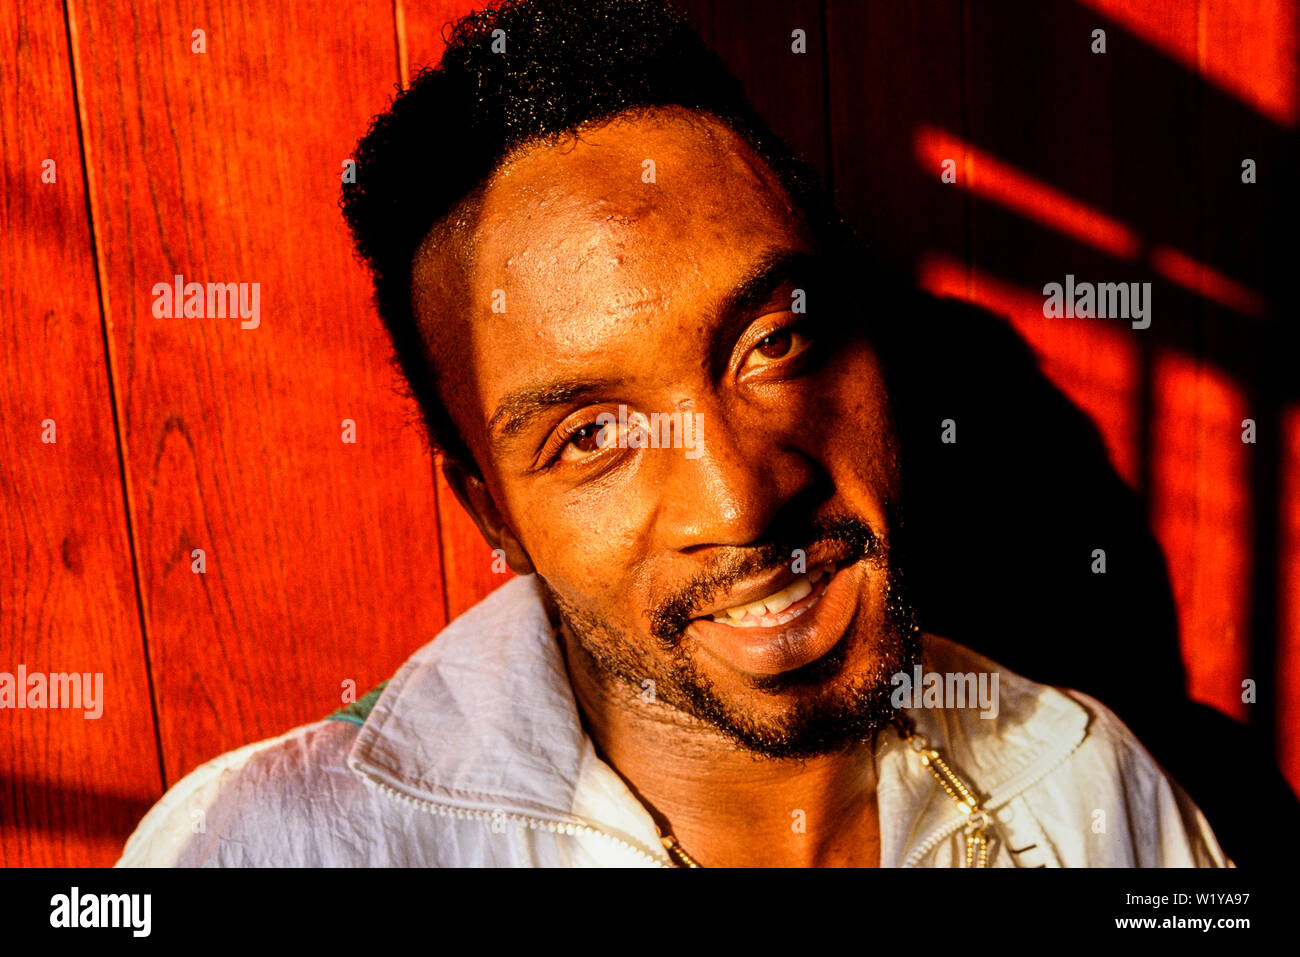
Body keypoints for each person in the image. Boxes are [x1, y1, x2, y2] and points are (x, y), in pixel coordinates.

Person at [117, 0, 1230, 867]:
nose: (738, 501)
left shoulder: (1082, 789)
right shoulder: (266, 847)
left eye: (772, 346)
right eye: (591, 433)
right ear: (490, 509)